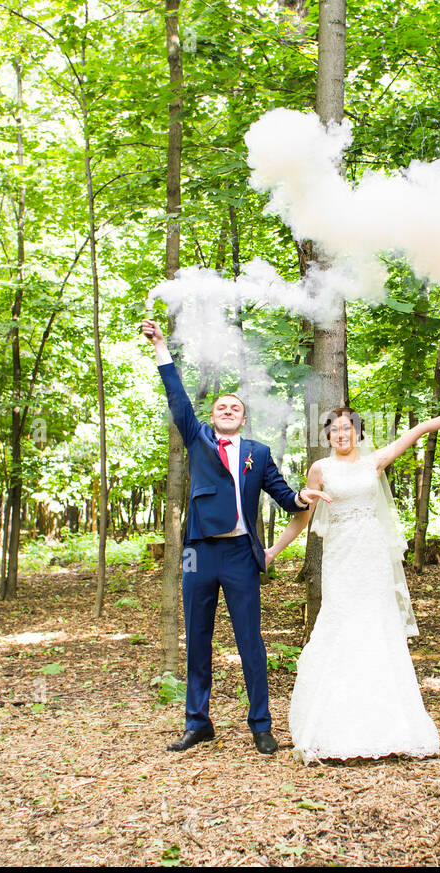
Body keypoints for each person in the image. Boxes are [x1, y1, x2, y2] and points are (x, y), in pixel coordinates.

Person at [141, 318, 331, 754]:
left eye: (235, 409)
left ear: (244, 418)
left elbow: (286, 498)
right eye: (221, 408)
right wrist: (161, 347)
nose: (228, 411)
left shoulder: (258, 454)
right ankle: (197, 720)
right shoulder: (198, 438)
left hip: (242, 556)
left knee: (250, 641)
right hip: (198, 554)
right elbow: (176, 396)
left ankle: (261, 725)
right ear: (212, 417)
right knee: (198, 638)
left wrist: (304, 496)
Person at [265, 405, 440, 761]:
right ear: (328, 435)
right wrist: (272, 551)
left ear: (357, 432)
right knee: (340, 625)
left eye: (348, 428)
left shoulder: (374, 461)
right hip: (340, 558)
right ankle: (332, 725)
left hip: (373, 558)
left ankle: (388, 725)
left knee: (377, 629)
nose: (342, 434)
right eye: (335, 430)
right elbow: (302, 518)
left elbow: (418, 431)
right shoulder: (320, 470)